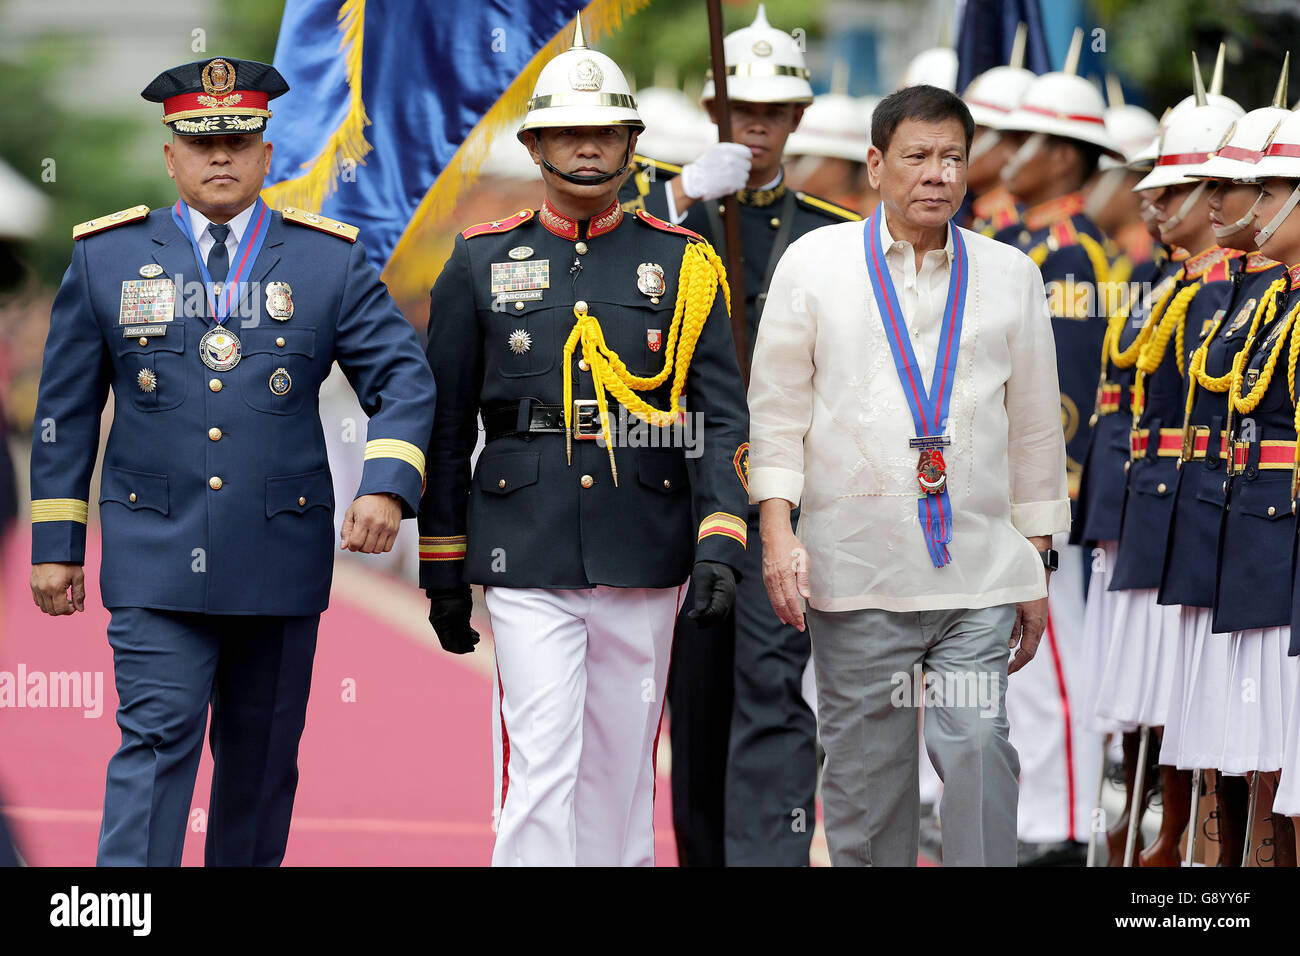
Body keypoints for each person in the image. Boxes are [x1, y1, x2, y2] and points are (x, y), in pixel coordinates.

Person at [27, 57, 436, 866]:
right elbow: (63, 412)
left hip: (277, 557)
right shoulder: (105, 259)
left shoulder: (328, 262)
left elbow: (404, 377)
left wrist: (387, 484)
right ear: (170, 153)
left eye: (239, 139)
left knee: (258, 766)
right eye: (200, 140)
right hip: (153, 555)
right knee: (154, 742)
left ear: (266, 154)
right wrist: (56, 543)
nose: (221, 155)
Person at [418, 19, 749, 867]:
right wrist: (444, 567)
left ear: (632, 142)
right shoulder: (479, 262)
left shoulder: (685, 264)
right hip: (523, 540)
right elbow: (448, 425)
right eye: (569, 131)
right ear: (536, 146)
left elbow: (716, 414)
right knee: (539, 760)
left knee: (619, 769)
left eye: (605, 131)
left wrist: (721, 537)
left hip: (644, 539)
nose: (588, 148)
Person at [748, 84, 1070, 866]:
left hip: (979, 575)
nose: (937, 174)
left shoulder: (1010, 275)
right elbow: (777, 413)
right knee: (868, 788)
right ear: (875, 164)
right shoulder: (813, 265)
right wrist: (777, 532)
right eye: (918, 157)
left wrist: (1036, 559)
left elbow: (1033, 427)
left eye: (952, 158)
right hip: (856, 571)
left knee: (979, 746)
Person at [621, 4, 860, 867]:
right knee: (695, 690)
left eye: (771, 113)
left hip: (782, 492)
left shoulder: (834, 232)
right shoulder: (661, 212)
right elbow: (610, 275)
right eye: (741, 111)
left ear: (797, 119)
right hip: (678, 487)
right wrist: (683, 197)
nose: (755, 127)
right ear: (717, 115)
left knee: (772, 682)